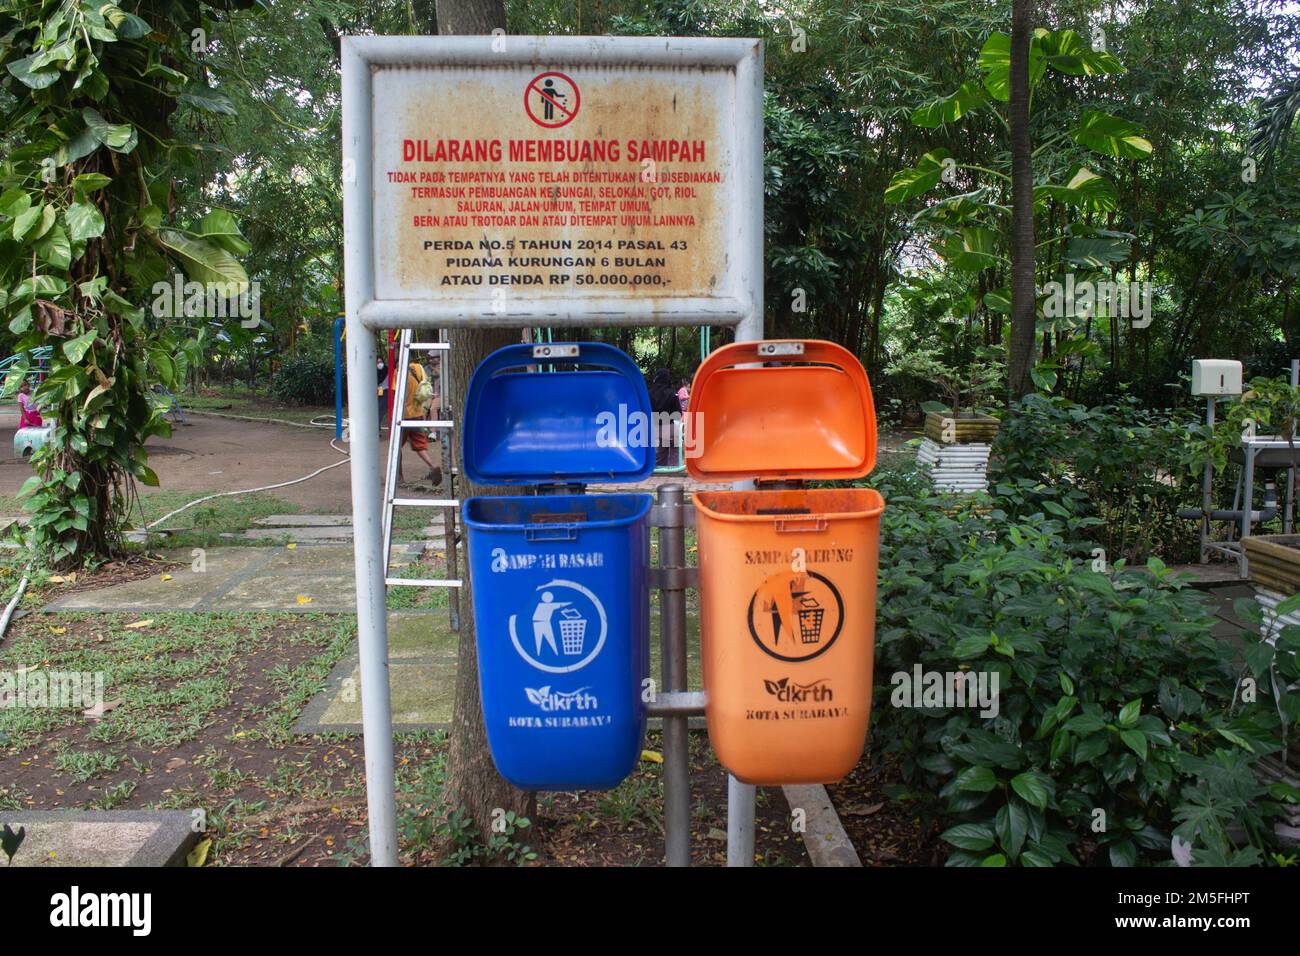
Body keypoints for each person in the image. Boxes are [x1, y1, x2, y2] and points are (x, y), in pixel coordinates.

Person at [396, 360, 442, 486]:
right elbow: (426, 386)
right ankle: (433, 465)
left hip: (403, 416)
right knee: (420, 445)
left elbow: (396, 393)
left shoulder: (398, 373)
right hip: (418, 413)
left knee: (396, 447)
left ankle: (399, 477)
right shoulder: (418, 367)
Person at [647, 368, 680, 468]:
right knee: (674, 445)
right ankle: (673, 467)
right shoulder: (672, 394)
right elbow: (677, 415)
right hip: (668, 427)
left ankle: (660, 467)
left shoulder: (649, 393)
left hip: (653, 428)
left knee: (661, 450)